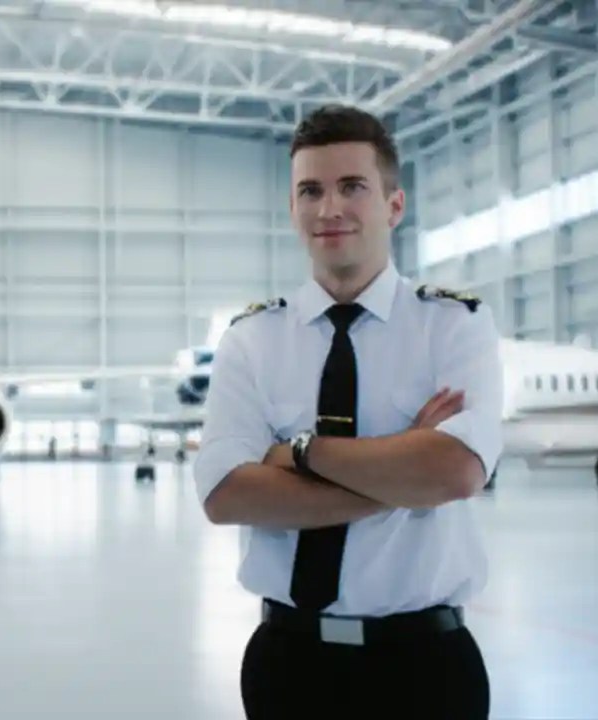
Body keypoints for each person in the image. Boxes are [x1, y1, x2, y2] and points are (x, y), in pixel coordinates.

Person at [192, 103, 503, 720]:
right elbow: (226, 495)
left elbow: (455, 474)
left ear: (394, 205)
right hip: (290, 668)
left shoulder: (454, 325)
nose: (329, 208)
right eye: (310, 190)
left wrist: (299, 453)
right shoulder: (252, 339)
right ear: (292, 209)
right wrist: (400, 472)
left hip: (428, 669)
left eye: (351, 186)